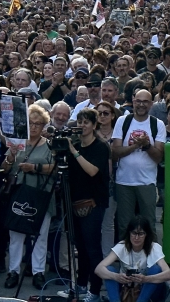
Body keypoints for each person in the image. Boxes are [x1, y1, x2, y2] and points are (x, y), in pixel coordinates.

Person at [3, 104, 55, 290]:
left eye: (38, 123)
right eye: (30, 123)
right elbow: (5, 168)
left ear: (44, 125)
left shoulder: (49, 145)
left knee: (40, 236)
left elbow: (55, 168)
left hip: (41, 195)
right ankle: (14, 271)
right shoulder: (18, 142)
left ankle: (38, 272)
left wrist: (34, 168)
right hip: (20, 194)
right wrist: (12, 156)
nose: (33, 127)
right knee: (16, 234)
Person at [67, 108, 112, 302]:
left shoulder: (101, 147)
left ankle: (94, 291)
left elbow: (93, 171)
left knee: (93, 248)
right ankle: (81, 286)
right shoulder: (76, 144)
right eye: (80, 121)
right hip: (75, 202)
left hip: (94, 204)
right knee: (81, 248)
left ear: (94, 125)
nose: (82, 125)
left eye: (86, 122)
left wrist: (74, 152)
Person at [113, 88, 166, 237]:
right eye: (138, 101)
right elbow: (115, 152)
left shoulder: (158, 124)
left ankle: (151, 259)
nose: (141, 105)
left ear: (151, 104)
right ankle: (126, 260)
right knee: (124, 225)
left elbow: (158, 157)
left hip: (147, 182)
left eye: (145, 102)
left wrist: (147, 145)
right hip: (124, 182)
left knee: (149, 225)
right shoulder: (123, 121)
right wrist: (135, 145)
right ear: (133, 101)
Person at [94, 215, 170, 302]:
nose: (136, 238)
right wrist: (116, 277)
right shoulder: (122, 246)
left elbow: (168, 274)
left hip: (147, 290)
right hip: (126, 289)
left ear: (146, 235)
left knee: (156, 269)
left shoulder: (154, 247)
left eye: (141, 234)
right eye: (134, 233)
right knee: (109, 270)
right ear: (129, 233)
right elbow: (99, 269)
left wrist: (146, 279)